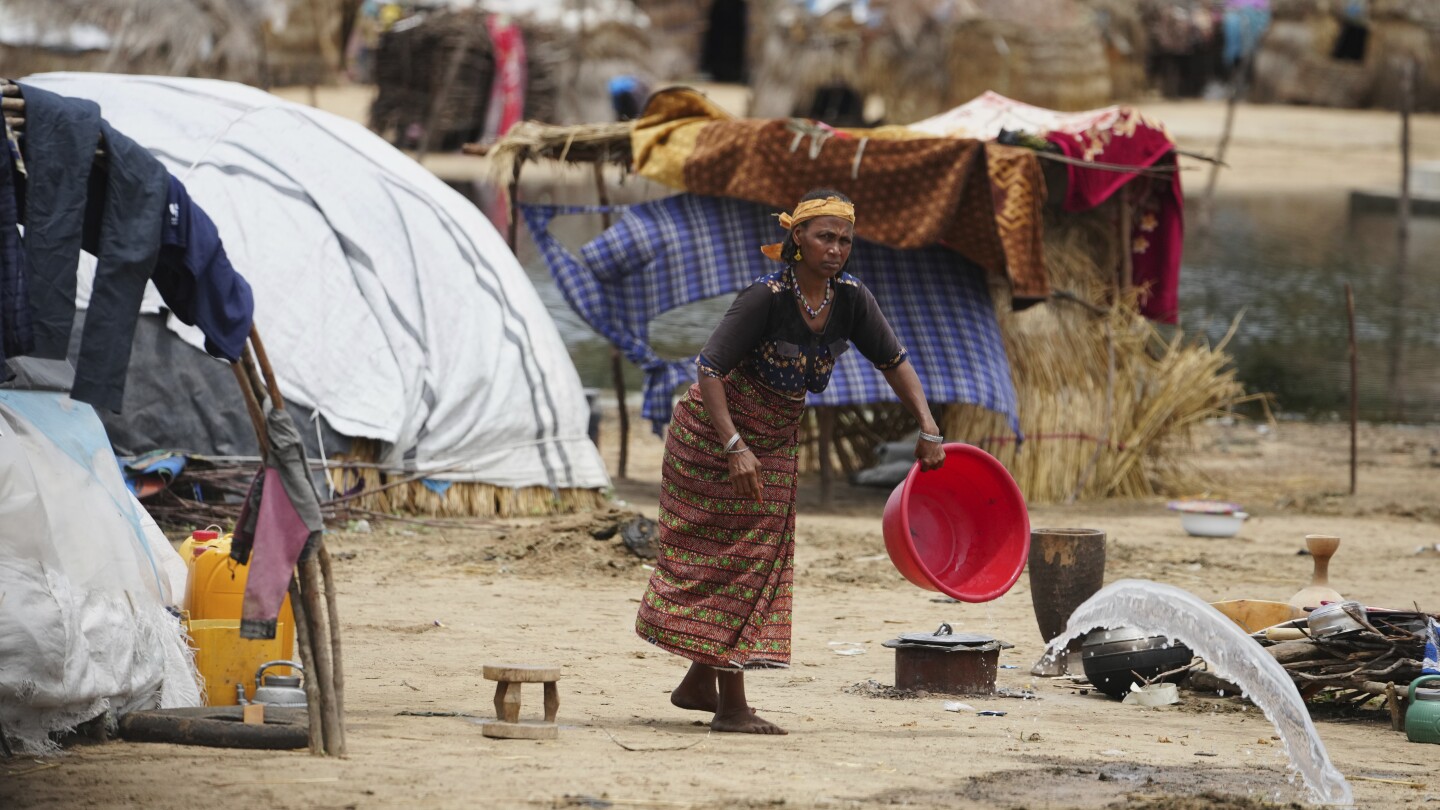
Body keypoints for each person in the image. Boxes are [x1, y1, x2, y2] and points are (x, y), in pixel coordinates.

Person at [634, 189, 947, 735]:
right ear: (796, 238)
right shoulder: (766, 296)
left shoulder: (850, 299)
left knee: (753, 560)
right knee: (741, 560)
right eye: (825, 236)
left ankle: (698, 683)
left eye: (845, 239)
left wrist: (928, 427)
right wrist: (735, 448)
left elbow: (894, 362)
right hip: (714, 438)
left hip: (774, 440)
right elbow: (709, 370)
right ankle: (731, 707)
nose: (837, 249)